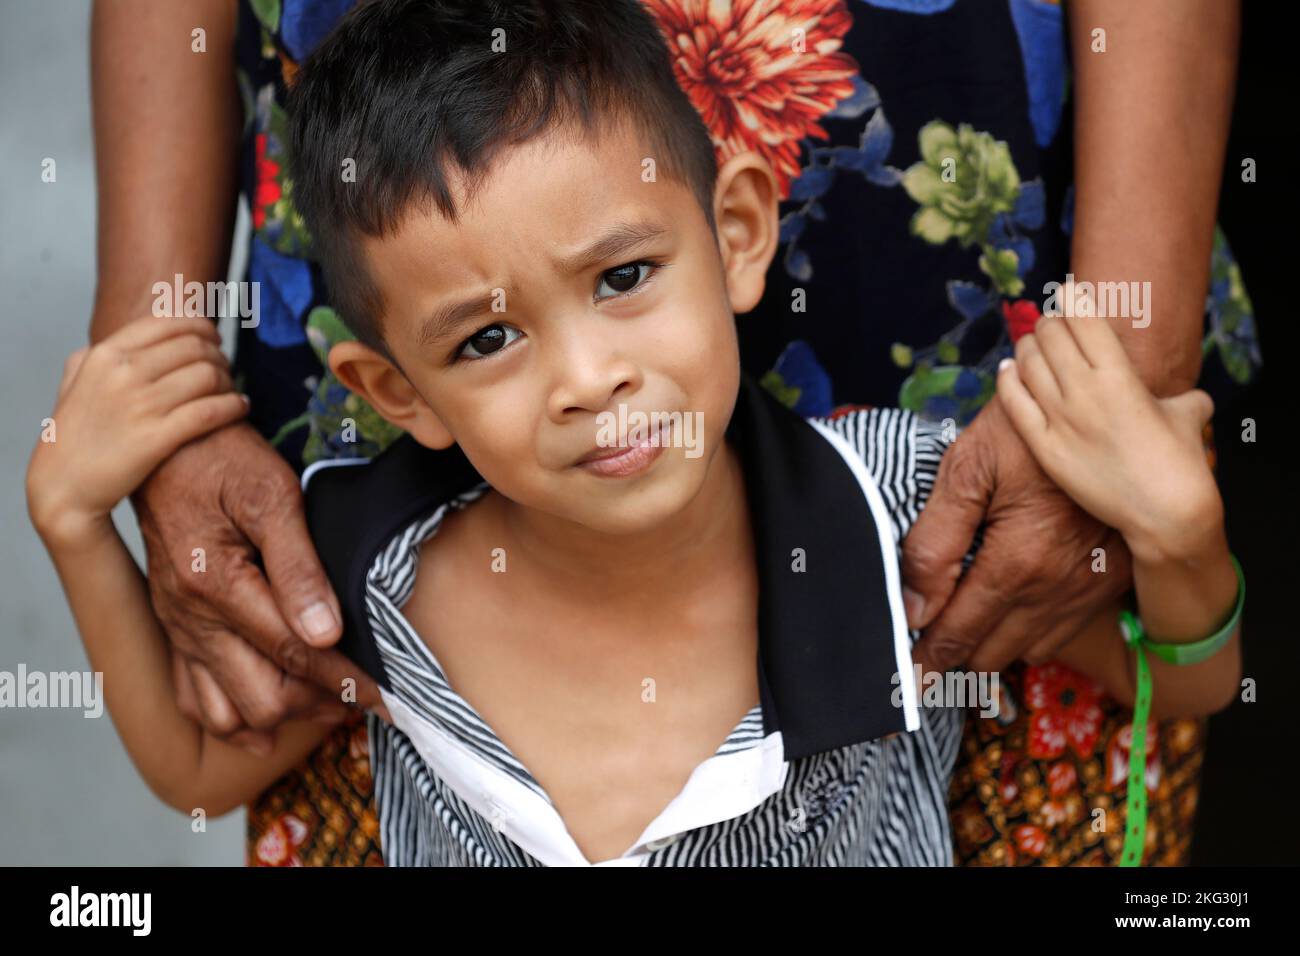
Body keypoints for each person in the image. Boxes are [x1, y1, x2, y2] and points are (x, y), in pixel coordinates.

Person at [35, 0, 1241, 867]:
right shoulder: (363, 568)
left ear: (740, 232)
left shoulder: (901, 514)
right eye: (487, 340)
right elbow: (196, 765)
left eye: (621, 276)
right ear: (392, 389)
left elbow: (1185, 677)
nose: (588, 376)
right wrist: (79, 524)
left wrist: (1175, 529)